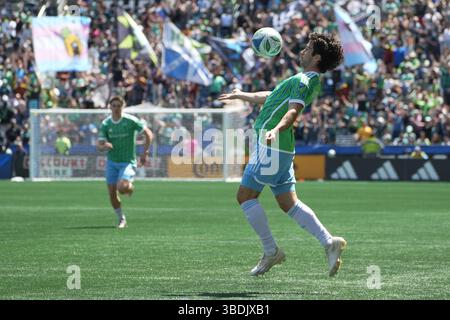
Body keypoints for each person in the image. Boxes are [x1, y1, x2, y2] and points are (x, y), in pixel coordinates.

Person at [219, 33, 346, 277]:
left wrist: (276, 129)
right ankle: (329, 243)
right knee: (288, 203)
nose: (303, 51)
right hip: (281, 147)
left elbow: (292, 111)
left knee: (245, 196)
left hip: (273, 144)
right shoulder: (302, 79)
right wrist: (242, 94)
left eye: (308, 48)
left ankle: (271, 251)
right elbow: (272, 97)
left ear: (316, 57)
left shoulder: (304, 81)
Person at [97, 96, 153, 228]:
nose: (116, 108)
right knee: (112, 193)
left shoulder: (130, 120)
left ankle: (129, 187)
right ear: (110, 107)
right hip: (112, 162)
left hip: (127, 161)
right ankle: (121, 219)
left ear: (123, 107)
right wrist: (104, 146)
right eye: (114, 106)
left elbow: (148, 134)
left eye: (118, 106)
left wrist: (145, 152)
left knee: (121, 188)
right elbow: (99, 146)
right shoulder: (106, 124)